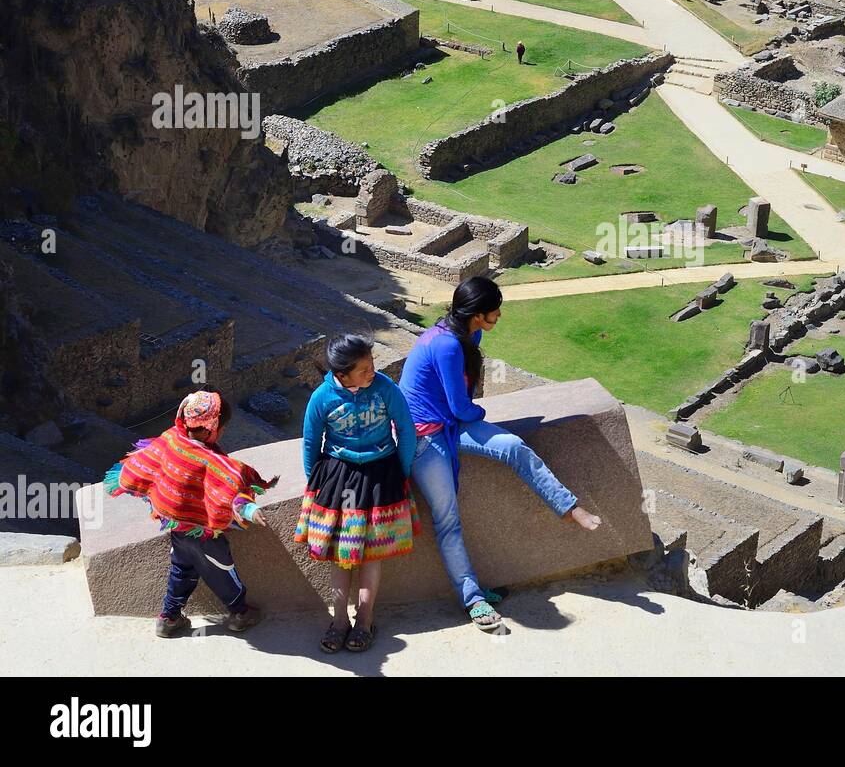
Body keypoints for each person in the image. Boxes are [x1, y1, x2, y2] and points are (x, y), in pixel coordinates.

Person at [400, 276, 602, 632]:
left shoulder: (468, 335)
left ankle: (568, 507)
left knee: (514, 446)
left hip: (447, 423)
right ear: (477, 315)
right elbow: (462, 408)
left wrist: (473, 416)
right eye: (495, 312)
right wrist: (481, 416)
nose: (498, 317)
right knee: (448, 519)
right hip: (424, 436)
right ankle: (473, 599)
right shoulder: (446, 345)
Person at [105, 391, 275, 638]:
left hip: (177, 526)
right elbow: (229, 489)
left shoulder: (172, 438)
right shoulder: (210, 459)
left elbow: (147, 462)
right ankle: (240, 613)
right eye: (223, 427)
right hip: (202, 531)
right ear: (211, 428)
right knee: (221, 569)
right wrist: (249, 509)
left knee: (181, 569)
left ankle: (169, 618)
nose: (224, 432)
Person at [296, 334, 419, 653]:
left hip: (382, 475)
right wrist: (317, 482)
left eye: (372, 365)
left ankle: (364, 620)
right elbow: (311, 442)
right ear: (341, 374)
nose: (372, 373)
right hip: (340, 478)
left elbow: (406, 430)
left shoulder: (385, 389)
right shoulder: (322, 397)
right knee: (341, 553)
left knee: (372, 551)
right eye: (364, 369)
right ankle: (339, 621)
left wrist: (400, 472)